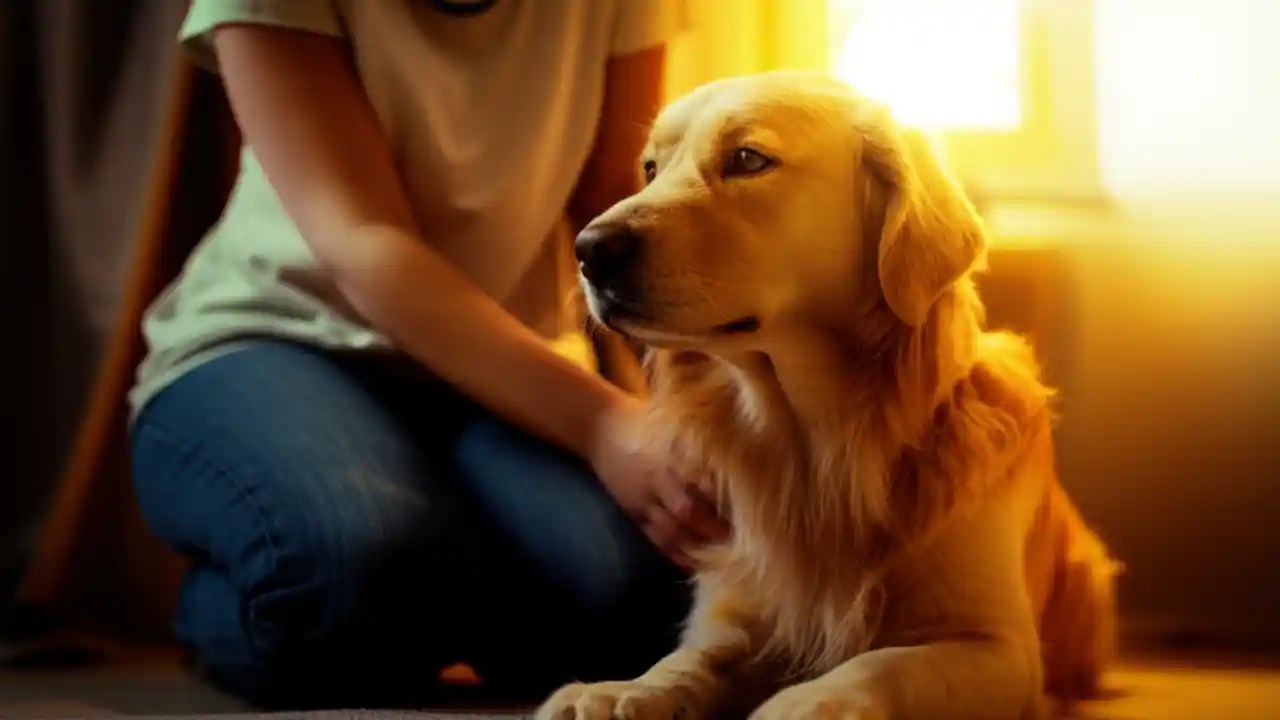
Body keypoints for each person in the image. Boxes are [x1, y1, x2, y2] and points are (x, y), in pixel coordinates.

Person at [128, 0, 727, 707]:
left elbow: (617, 204)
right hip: (273, 339)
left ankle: (433, 563)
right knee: (355, 575)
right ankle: (246, 601)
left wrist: (700, 419)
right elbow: (364, 240)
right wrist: (605, 425)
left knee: (638, 605)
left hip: (512, 371)